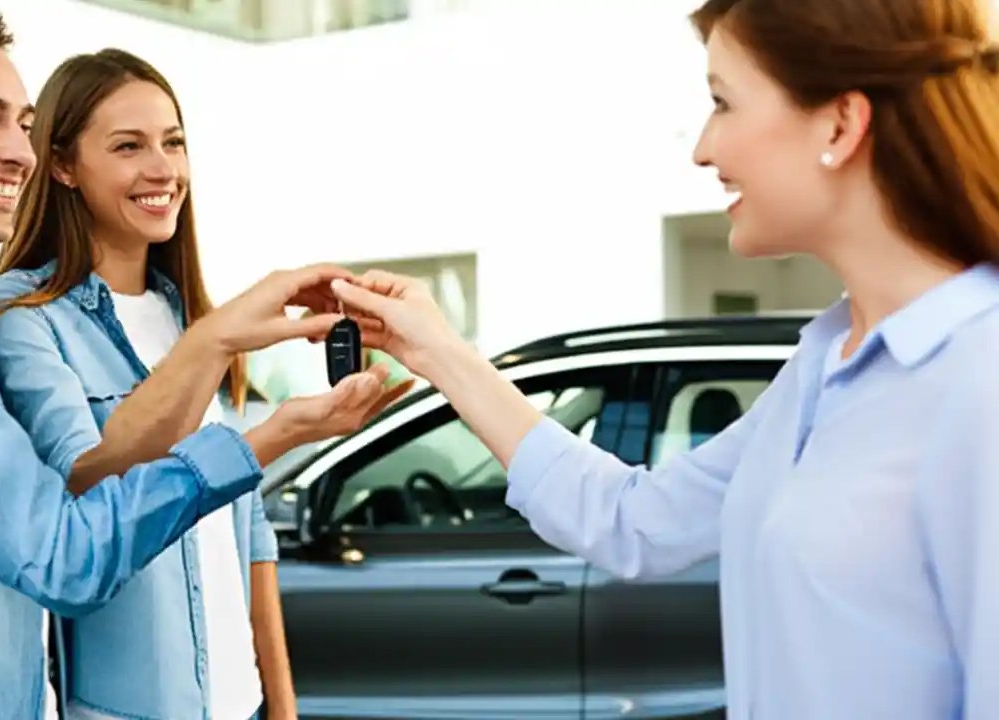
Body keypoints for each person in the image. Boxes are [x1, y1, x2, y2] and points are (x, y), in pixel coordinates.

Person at [330, 0, 999, 717]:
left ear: (840, 123)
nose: (702, 148)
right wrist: (439, 352)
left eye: (722, 103)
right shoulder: (823, 366)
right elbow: (635, 521)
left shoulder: (977, 379)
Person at [0, 3, 388, 718]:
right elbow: (65, 550)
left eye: (22, 125)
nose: (18, 151)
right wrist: (268, 428)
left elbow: (109, 507)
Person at [0, 48, 412, 720]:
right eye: (129, 146)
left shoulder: (186, 312)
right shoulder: (23, 317)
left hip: (238, 706)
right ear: (62, 164)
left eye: (173, 143)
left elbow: (251, 534)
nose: (163, 169)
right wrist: (261, 411)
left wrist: (283, 706)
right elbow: (84, 486)